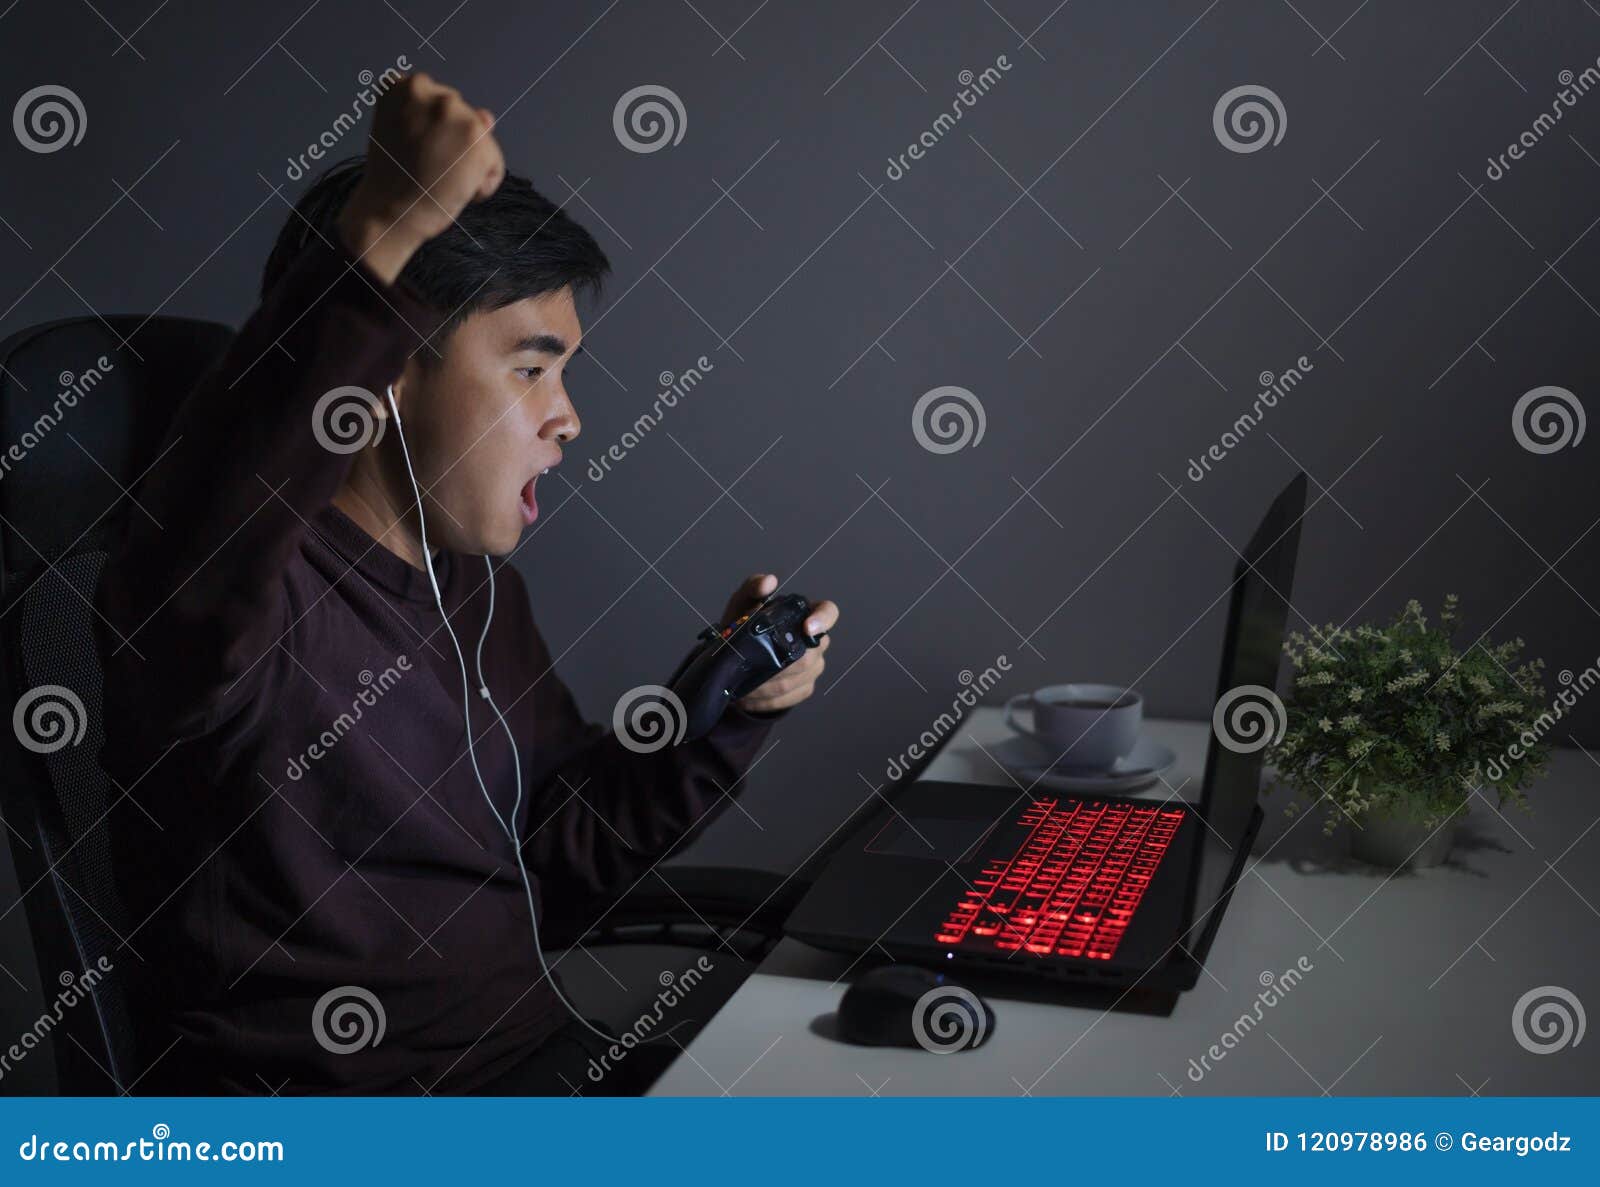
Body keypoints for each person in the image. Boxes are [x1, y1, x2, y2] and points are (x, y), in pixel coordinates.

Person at [91, 72, 839, 1096]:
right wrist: (385, 234)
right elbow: (232, 496)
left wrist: (717, 713)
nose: (567, 416)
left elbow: (555, 866)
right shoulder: (231, 595)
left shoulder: (474, 594)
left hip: (544, 1077)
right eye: (530, 368)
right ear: (391, 367)